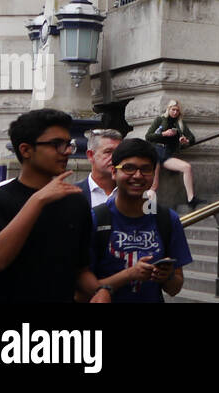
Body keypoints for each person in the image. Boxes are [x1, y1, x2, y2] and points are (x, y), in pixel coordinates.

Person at [0, 108, 104, 303]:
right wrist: (37, 200)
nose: (66, 151)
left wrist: (101, 290)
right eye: (56, 144)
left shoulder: (75, 201)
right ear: (26, 150)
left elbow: (79, 270)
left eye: (69, 144)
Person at [88, 138, 192, 303]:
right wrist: (129, 274)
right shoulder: (95, 220)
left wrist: (167, 276)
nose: (137, 176)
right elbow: (81, 293)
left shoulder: (167, 219)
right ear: (114, 172)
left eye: (146, 169)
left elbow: (174, 288)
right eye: (129, 168)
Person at [145, 99, 199, 208]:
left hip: (166, 155)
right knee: (153, 186)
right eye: (173, 109)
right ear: (168, 109)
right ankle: (147, 213)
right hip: (155, 152)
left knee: (186, 167)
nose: (175, 112)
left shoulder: (180, 123)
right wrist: (163, 134)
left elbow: (192, 139)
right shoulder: (160, 119)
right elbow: (148, 136)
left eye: (177, 110)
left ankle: (191, 199)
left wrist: (184, 141)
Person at [79, 128, 123, 208]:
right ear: (91, 155)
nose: (115, 157)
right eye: (108, 152)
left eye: (119, 152)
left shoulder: (132, 191)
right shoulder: (74, 193)